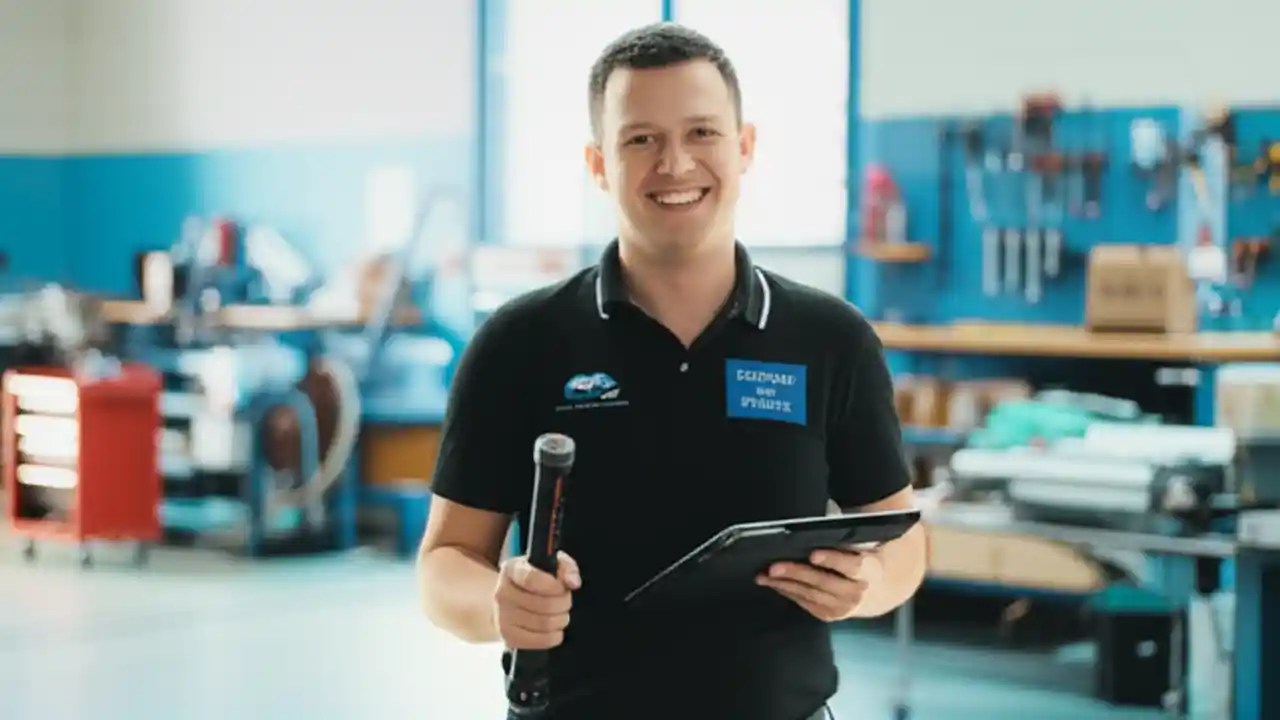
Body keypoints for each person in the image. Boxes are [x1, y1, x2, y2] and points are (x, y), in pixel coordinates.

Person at [417, 21, 928, 720]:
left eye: (702, 133)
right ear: (599, 164)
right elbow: (445, 561)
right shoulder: (521, 341)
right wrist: (496, 604)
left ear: (744, 148)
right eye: (641, 139)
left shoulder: (829, 338)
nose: (676, 164)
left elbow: (902, 537)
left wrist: (867, 583)